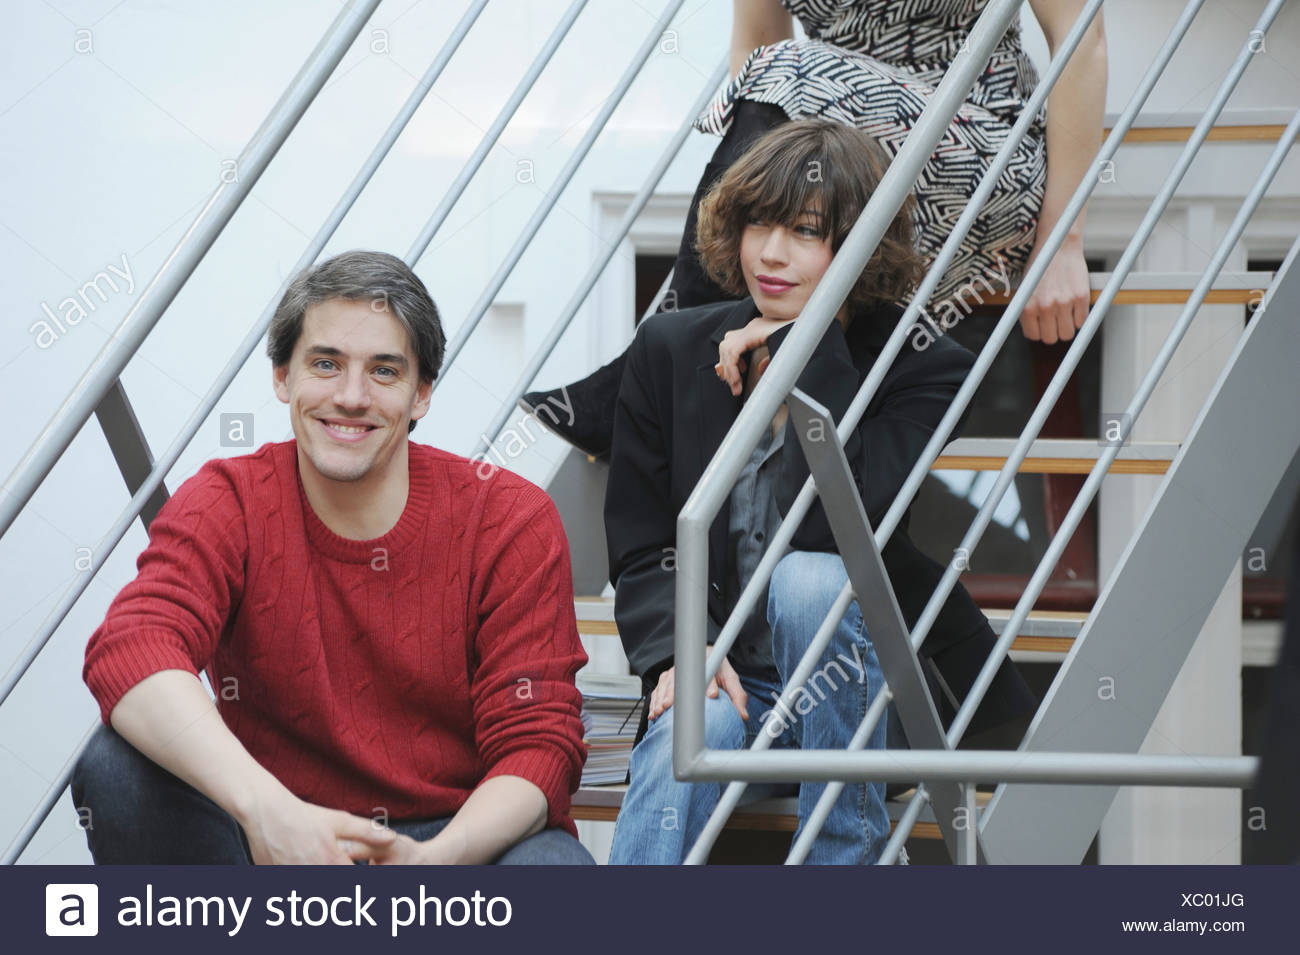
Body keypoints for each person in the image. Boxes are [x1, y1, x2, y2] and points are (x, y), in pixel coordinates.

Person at [603, 120, 1036, 864]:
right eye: (759, 224)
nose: (772, 254)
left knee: (809, 580)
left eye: (805, 232)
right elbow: (644, 543)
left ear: (861, 248)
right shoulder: (669, 350)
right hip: (734, 677)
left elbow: (850, 518)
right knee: (689, 732)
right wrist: (686, 649)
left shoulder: (923, 366)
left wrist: (798, 362)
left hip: (868, 684)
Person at [71, 250, 594, 865]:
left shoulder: (508, 519)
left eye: (384, 371)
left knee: (554, 872)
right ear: (282, 378)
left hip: (453, 835)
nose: (351, 396)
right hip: (269, 827)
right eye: (325, 364)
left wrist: (434, 862)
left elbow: (539, 743)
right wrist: (266, 810)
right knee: (115, 766)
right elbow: (134, 647)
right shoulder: (229, 500)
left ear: (421, 393)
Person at [522, 0, 1106, 458]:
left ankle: (639, 384)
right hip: (837, 151)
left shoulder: (803, 73)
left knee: (786, 68)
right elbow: (757, 49)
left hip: (981, 149)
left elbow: (1081, 39)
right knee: (775, 78)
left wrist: (1065, 242)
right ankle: (658, 379)